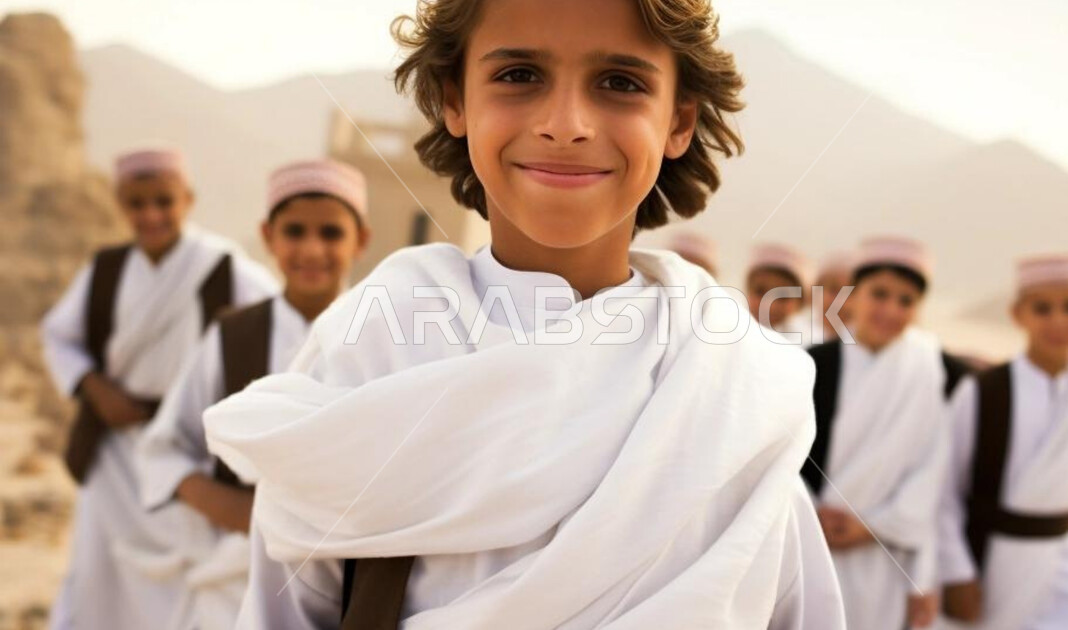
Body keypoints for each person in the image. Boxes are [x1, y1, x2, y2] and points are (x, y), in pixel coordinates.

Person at [206, 0, 845, 628]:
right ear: (455, 99)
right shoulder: (368, 352)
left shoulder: (731, 388)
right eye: (518, 75)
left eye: (620, 83)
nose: (565, 124)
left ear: (678, 121)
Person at [40, 148, 278, 629]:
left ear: (187, 201)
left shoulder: (223, 269)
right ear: (121, 205)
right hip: (113, 458)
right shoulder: (106, 270)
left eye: (163, 202)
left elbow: (278, 321)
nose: (151, 215)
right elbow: (58, 336)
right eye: (137, 203)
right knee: (96, 582)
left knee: (183, 589)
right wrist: (93, 386)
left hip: (185, 456)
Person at [135, 159, 371, 629]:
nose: (311, 249)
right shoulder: (234, 336)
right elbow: (161, 451)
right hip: (233, 585)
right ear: (268, 237)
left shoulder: (380, 334)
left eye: (330, 234)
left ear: (359, 240)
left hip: (351, 581)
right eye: (295, 231)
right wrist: (249, 513)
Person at [939, 253, 1068, 629]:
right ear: (1019, 315)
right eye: (1042, 308)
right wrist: (956, 571)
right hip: (999, 561)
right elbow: (945, 490)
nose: (1058, 321)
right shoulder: (983, 391)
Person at [801, 236, 947, 629]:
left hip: (885, 552)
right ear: (853, 296)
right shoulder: (812, 364)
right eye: (879, 294)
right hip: (808, 543)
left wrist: (871, 527)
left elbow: (931, 469)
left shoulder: (929, 373)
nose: (890, 310)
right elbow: (786, 454)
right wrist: (811, 513)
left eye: (906, 301)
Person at [745, 242, 814, 336]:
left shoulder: (810, 344)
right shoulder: (728, 337)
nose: (770, 305)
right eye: (760, 292)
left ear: (801, 303)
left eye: (783, 296)